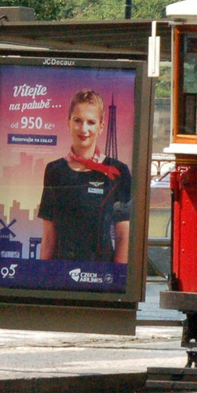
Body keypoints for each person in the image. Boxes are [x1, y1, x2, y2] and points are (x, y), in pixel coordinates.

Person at [38, 89, 131, 263]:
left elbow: (123, 237)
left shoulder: (117, 171)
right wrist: (44, 277)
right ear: (68, 123)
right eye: (78, 121)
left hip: (101, 275)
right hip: (62, 273)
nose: (84, 129)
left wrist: (118, 280)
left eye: (91, 122)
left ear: (101, 126)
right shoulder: (54, 170)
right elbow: (49, 237)